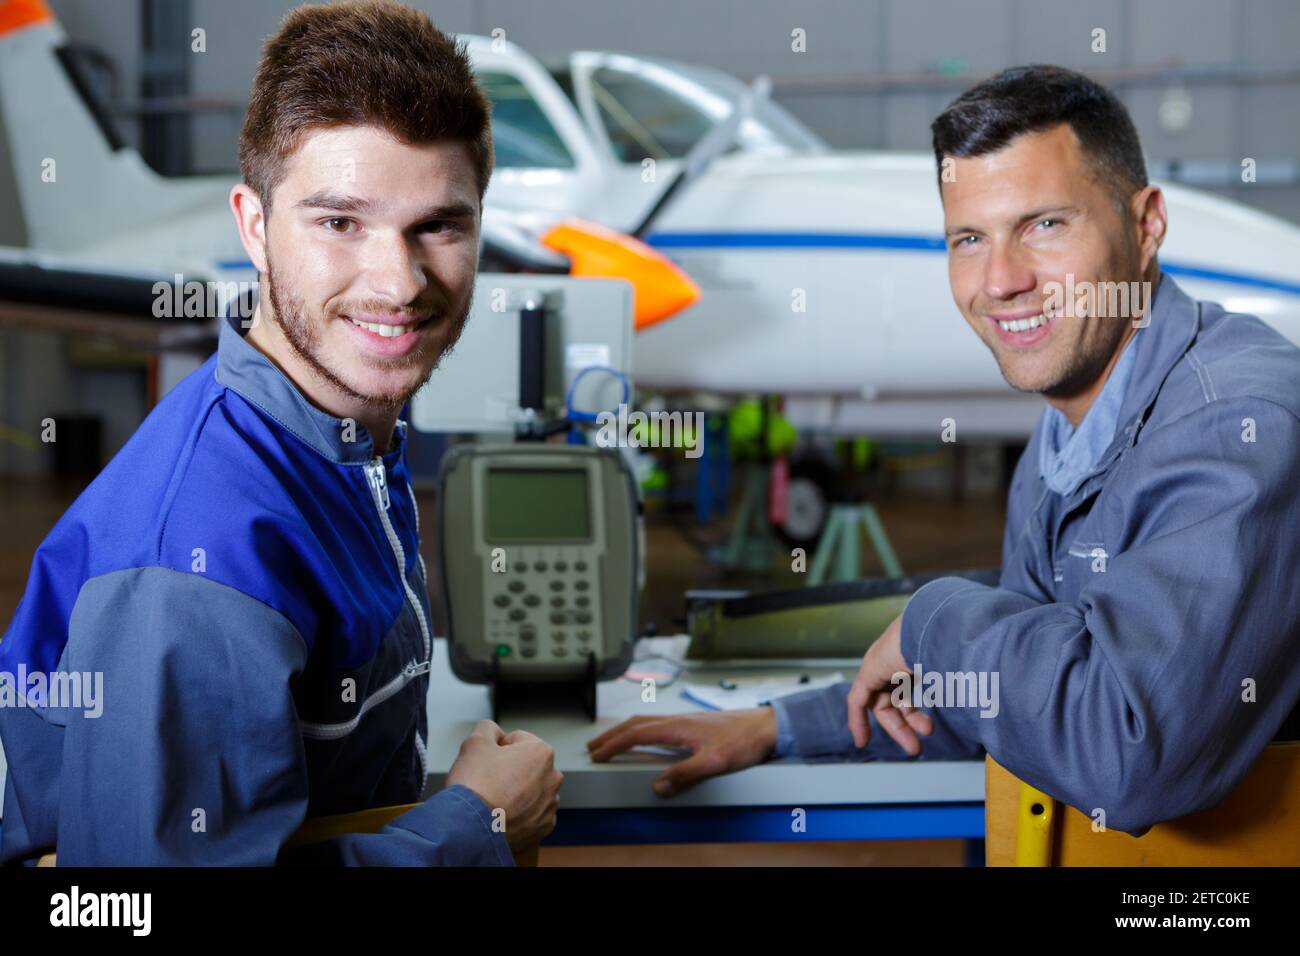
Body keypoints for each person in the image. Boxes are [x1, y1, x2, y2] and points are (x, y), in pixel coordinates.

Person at [588, 65, 1300, 835]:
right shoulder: (1066, 433)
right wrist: (774, 727)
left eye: (1045, 225)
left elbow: (1125, 751)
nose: (1001, 280)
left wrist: (935, 617)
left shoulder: (1232, 424)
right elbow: (1021, 693)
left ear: (1147, 224)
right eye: (969, 239)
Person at [0, 0, 560, 865]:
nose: (399, 283)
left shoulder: (340, 445)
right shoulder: (199, 559)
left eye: (438, 226)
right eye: (340, 222)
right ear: (254, 228)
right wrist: (471, 825)